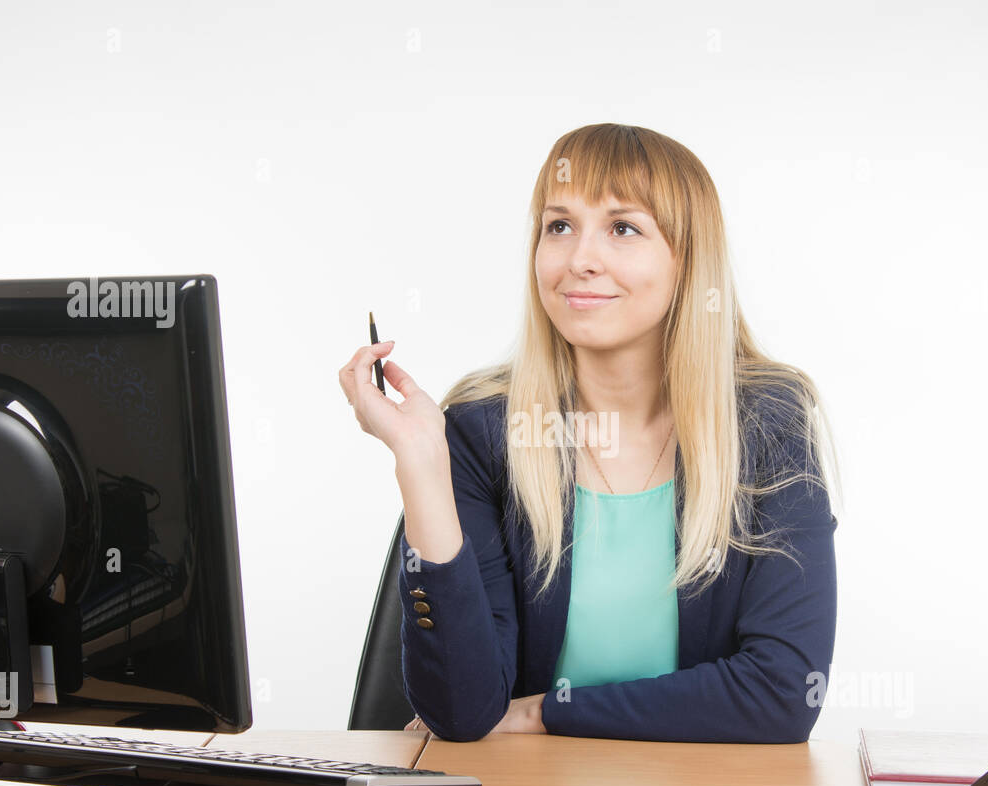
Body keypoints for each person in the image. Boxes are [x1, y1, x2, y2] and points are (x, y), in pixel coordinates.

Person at [339, 123, 839, 743]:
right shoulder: (482, 428)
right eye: (559, 226)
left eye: (623, 228)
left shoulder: (768, 423)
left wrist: (545, 711)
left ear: (688, 259)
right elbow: (462, 716)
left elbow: (782, 694)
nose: (580, 259)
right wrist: (418, 461)